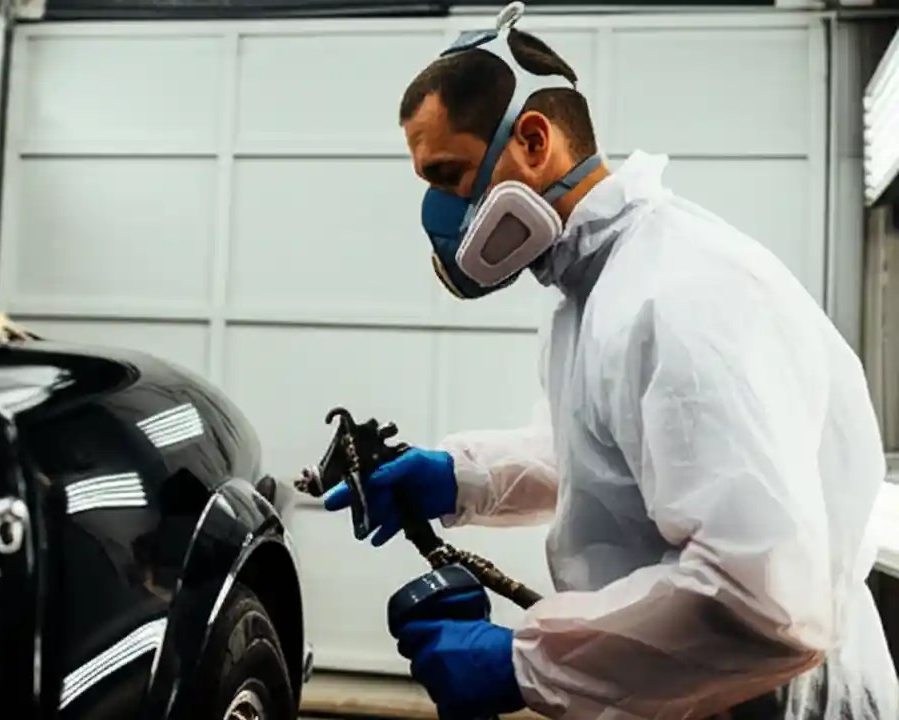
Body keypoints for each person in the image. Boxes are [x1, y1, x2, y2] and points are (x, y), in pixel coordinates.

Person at [322, 3, 899, 718]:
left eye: (449, 176)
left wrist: (523, 663)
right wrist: (457, 479)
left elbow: (764, 594)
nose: (441, 214)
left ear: (533, 140)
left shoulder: (681, 292)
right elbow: (606, 460)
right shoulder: (590, 291)